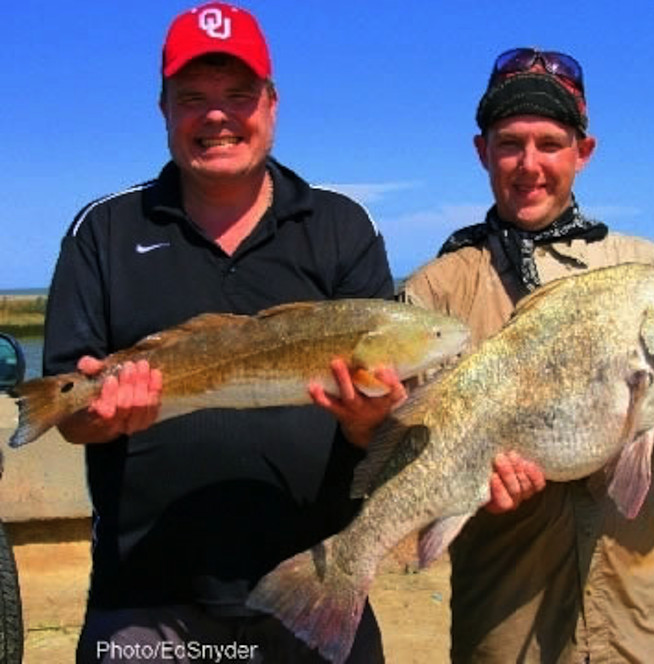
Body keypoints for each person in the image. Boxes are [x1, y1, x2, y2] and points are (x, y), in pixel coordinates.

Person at [43, 3, 405, 662]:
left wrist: (368, 419)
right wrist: (101, 415)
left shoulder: (342, 226)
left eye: (239, 95)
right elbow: (69, 410)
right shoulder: (104, 230)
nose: (217, 116)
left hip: (318, 584)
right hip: (146, 599)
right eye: (193, 98)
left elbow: (380, 428)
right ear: (163, 108)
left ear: (272, 104)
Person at [400, 47, 654, 663]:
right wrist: (473, 483)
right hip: (508, 624)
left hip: (651, 618)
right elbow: (411, 456)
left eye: (550, 144)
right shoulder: (436, 291)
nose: (529, 164)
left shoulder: (645, 266)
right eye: (509, 143)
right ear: (481, 151)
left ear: (584, 151)